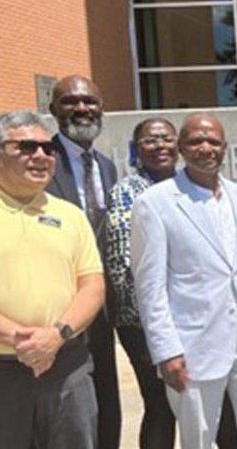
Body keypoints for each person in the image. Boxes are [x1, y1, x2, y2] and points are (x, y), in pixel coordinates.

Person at [132, 113, 237, 448]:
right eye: (196, 141)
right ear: (181, 148)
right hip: (193, 343)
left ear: (224, 148)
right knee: (199, 437)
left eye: (213, 141)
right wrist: (165, 350)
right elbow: (149, 287)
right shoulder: (155, 203)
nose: (205, 148)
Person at [105, 118, 237, 449]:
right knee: (162, 405)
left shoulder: (197, 188)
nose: (160, 146)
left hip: (194, 318)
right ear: (137, 150)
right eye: (150, 141)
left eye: (167, 138)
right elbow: (131, 268)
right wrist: (163, 335)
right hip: (143, 322)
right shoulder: (131, 192)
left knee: (212, 403)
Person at [0, 111, 105, 449]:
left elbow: (93, 286)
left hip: (67, 367)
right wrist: (21, 339)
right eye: (27, 147)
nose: (42, 156)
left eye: (48, 148)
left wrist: (56, 336)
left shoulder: (70, 215)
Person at [45, 75, 120, 449]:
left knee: (106, 395)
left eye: (89, 101)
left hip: (103, 306)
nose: (81, 109)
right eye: (70, 101)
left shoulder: (106, 166)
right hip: (56, 305)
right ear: (52, 109)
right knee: (63, 403)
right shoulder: (40, 160)